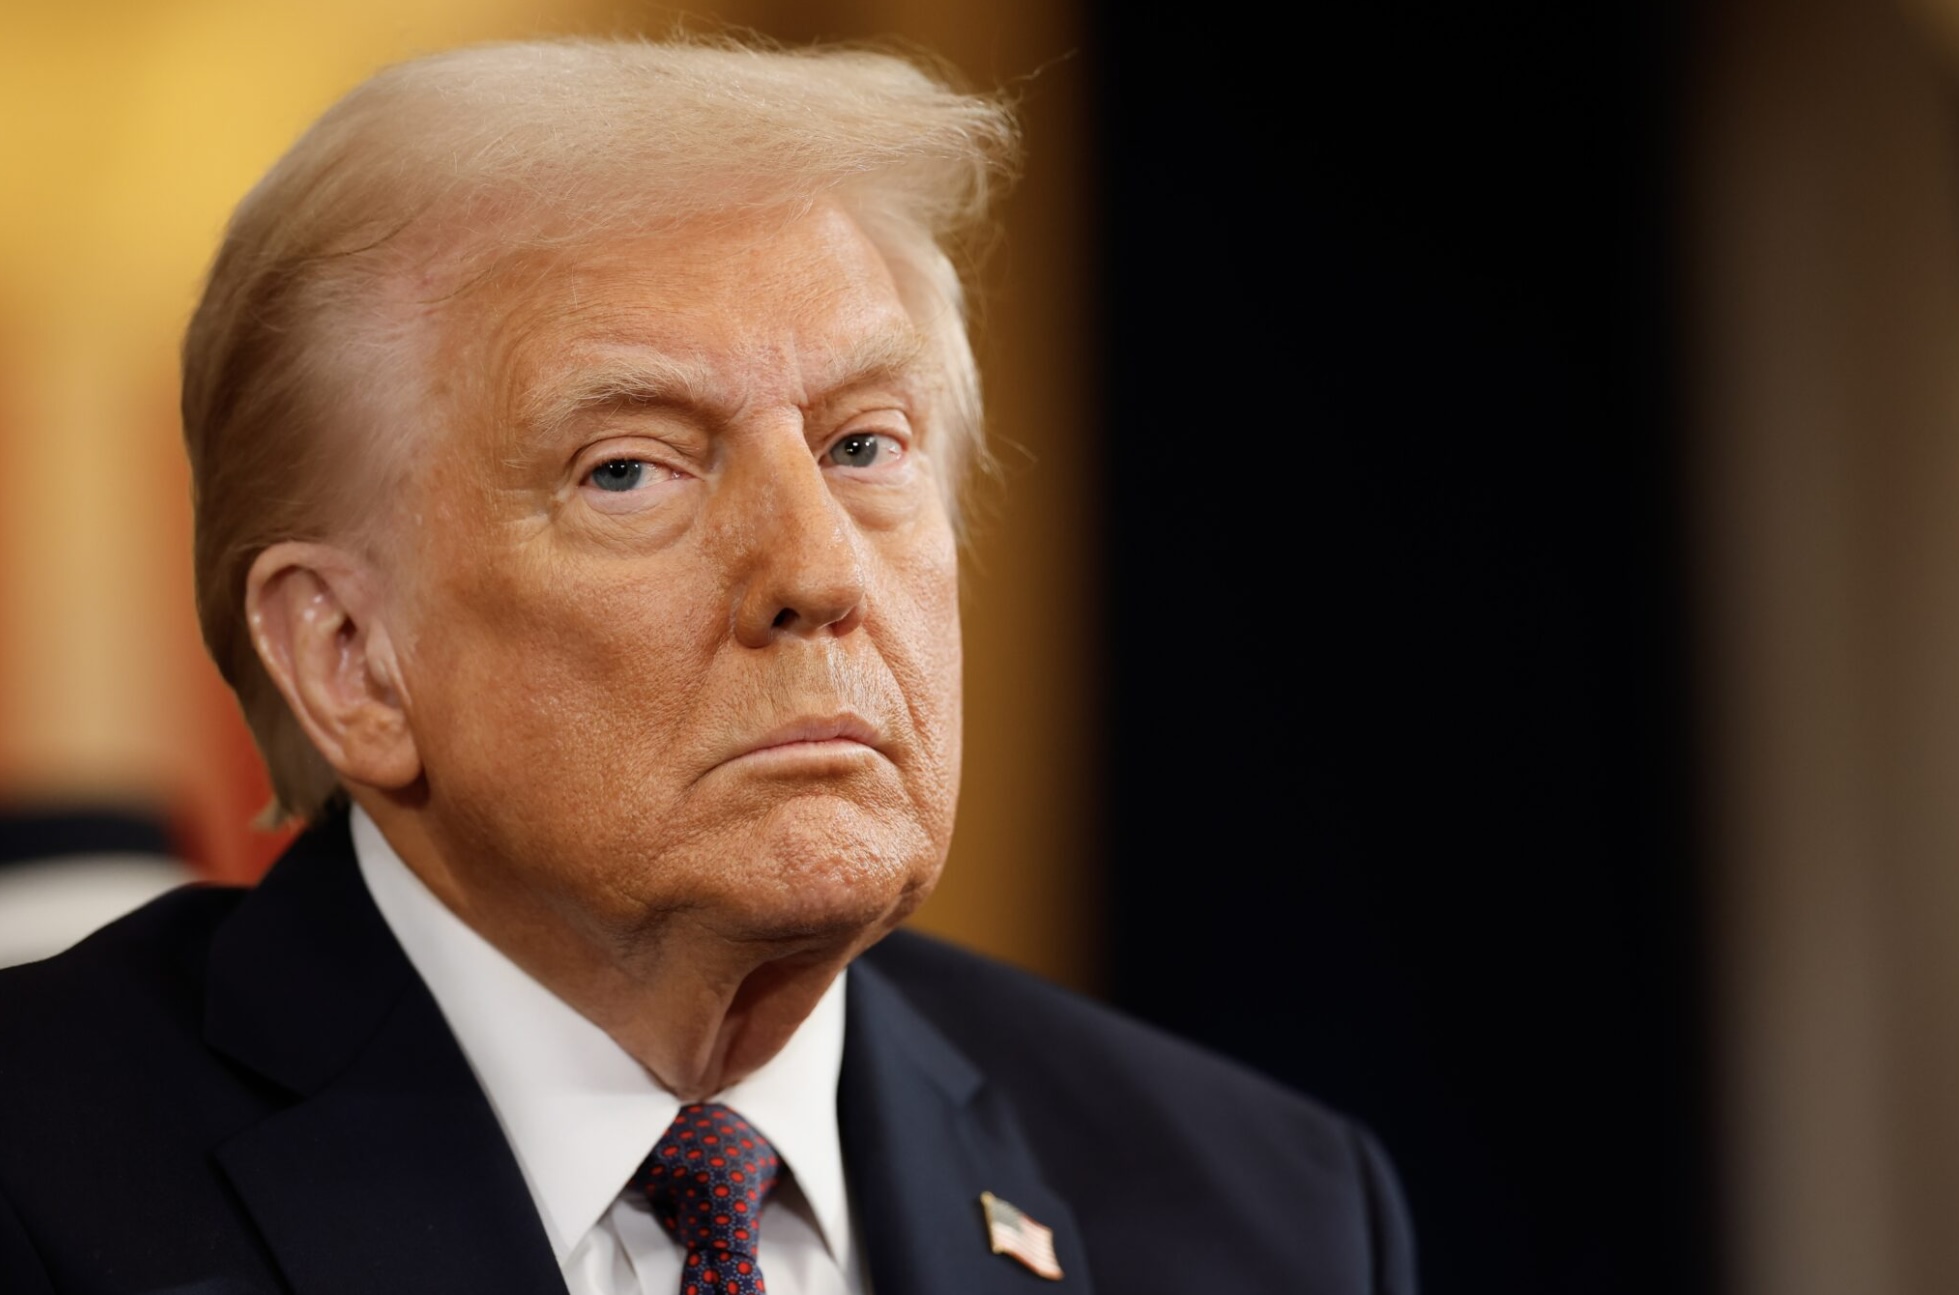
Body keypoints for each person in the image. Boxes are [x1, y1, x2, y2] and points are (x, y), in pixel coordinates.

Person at [0, 38, 1415, 1295]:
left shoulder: (1263, 1216)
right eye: (632, 472)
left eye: (865, 446)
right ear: (350, 658)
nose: (817, 573)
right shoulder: (47, 1187)